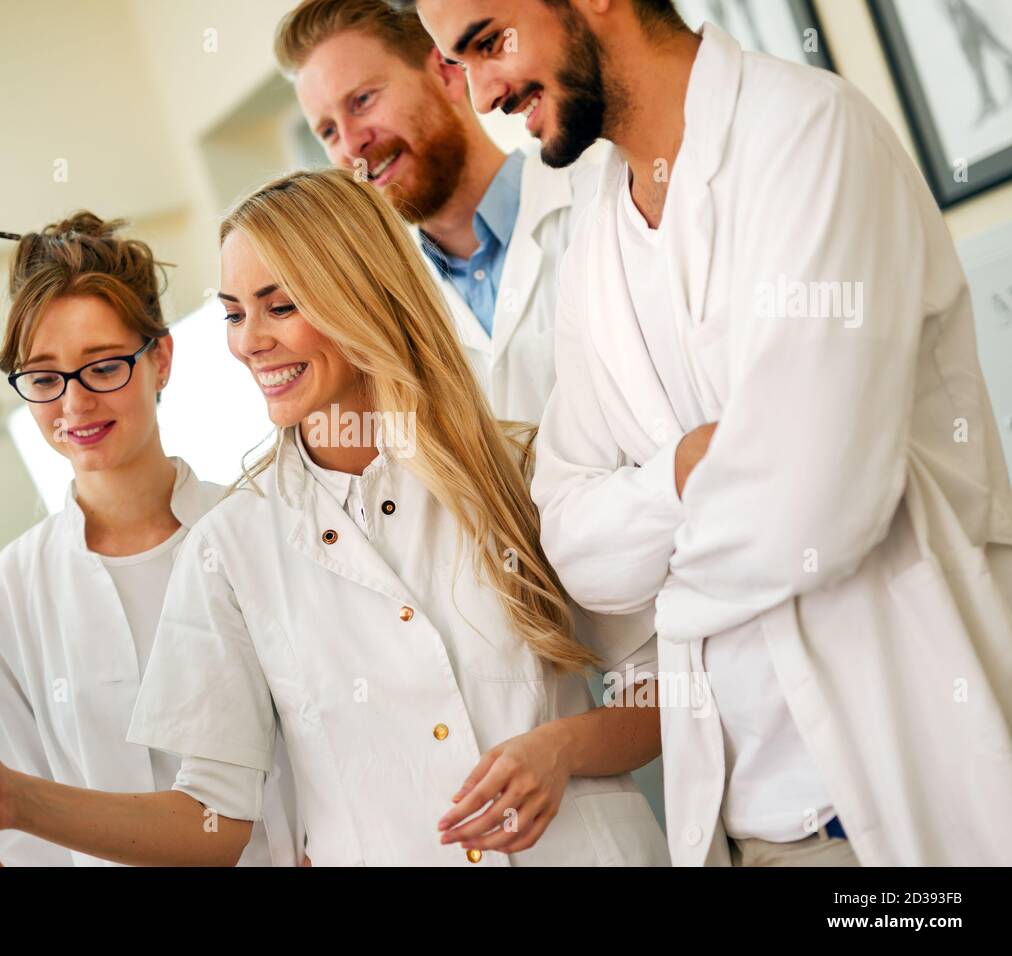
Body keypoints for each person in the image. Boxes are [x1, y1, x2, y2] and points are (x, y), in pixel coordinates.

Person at [408, 0, 1012, 865]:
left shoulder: (807, 139)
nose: (483, 91)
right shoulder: (594, 248)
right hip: (753, 828)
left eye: (488, 42)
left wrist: (672, 588)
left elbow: (814, 510)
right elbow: (574, 547)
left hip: (911, 797)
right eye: (459, 62)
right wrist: (685, 475)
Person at [0, 168, 667, 866]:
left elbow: (660, 686)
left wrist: (561, 747)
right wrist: (16, 801)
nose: (248, 341)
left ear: (361, 297)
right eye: (234, 313)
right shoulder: (232, 546)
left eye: (280, 305)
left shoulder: (519, 469)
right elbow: (214, 820)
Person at [0, 212, 299, 866]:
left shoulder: (261, 531)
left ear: (162, 360)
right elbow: (18, 838)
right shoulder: (4, 597)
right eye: (43, 378)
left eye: (103, 366)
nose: (75, 405)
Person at [276, 0, 606, 424]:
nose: (351, 144)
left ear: (446, 73)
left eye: (362, 100)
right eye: (328, 131)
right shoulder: (382, 315)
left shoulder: (599, 205)